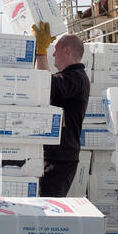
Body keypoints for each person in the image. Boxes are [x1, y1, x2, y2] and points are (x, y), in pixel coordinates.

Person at [33, 21, 90, 197]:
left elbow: (45, 86)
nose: (53, 53)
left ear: (67, 51)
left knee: (47, 207)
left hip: (60, 159)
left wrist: (41, 52)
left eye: (56, 49)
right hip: (56, 157)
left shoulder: (76, 78)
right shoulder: (70, 77)